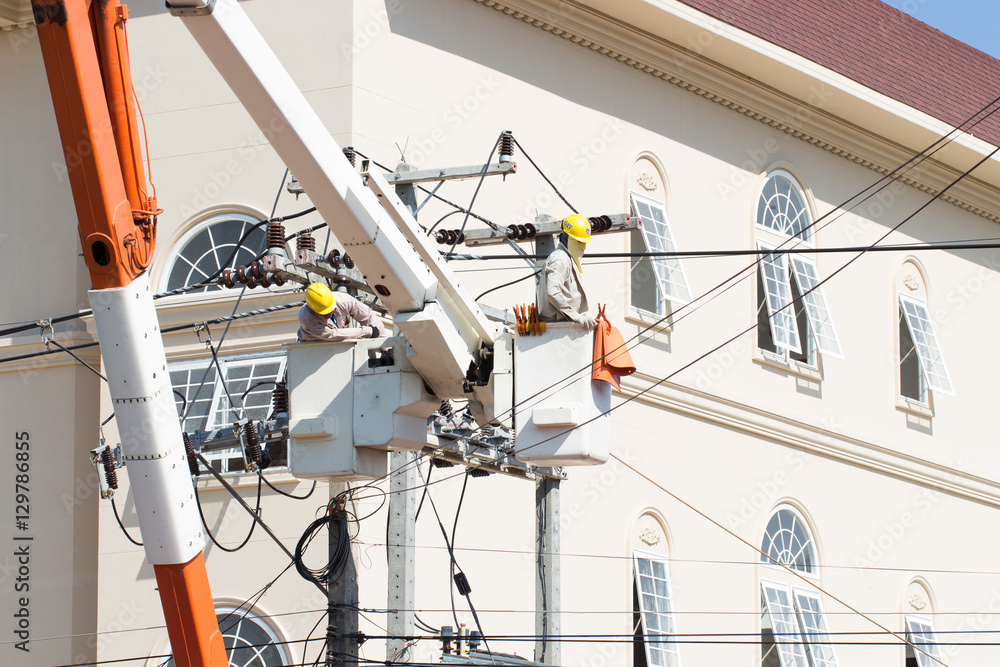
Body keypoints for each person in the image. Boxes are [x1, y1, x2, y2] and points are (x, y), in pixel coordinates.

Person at [536, 214, 598, 329]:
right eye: (579, 242)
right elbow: (552, 292)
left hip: (565, 325)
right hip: (558, 327)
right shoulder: (560, 259)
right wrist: (576, 316)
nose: (584, 247)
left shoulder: (567, 258)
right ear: (566, 238)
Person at [297, 282, 387, 342]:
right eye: (324, 313)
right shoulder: (306, 318)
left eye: (330, 309)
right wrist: (367, 331)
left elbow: (369, 316)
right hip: (314, 346)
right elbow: (334, 334)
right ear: (313, 309)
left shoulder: (344, 300)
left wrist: (385, 345)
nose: (329, 314)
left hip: (343, 344)